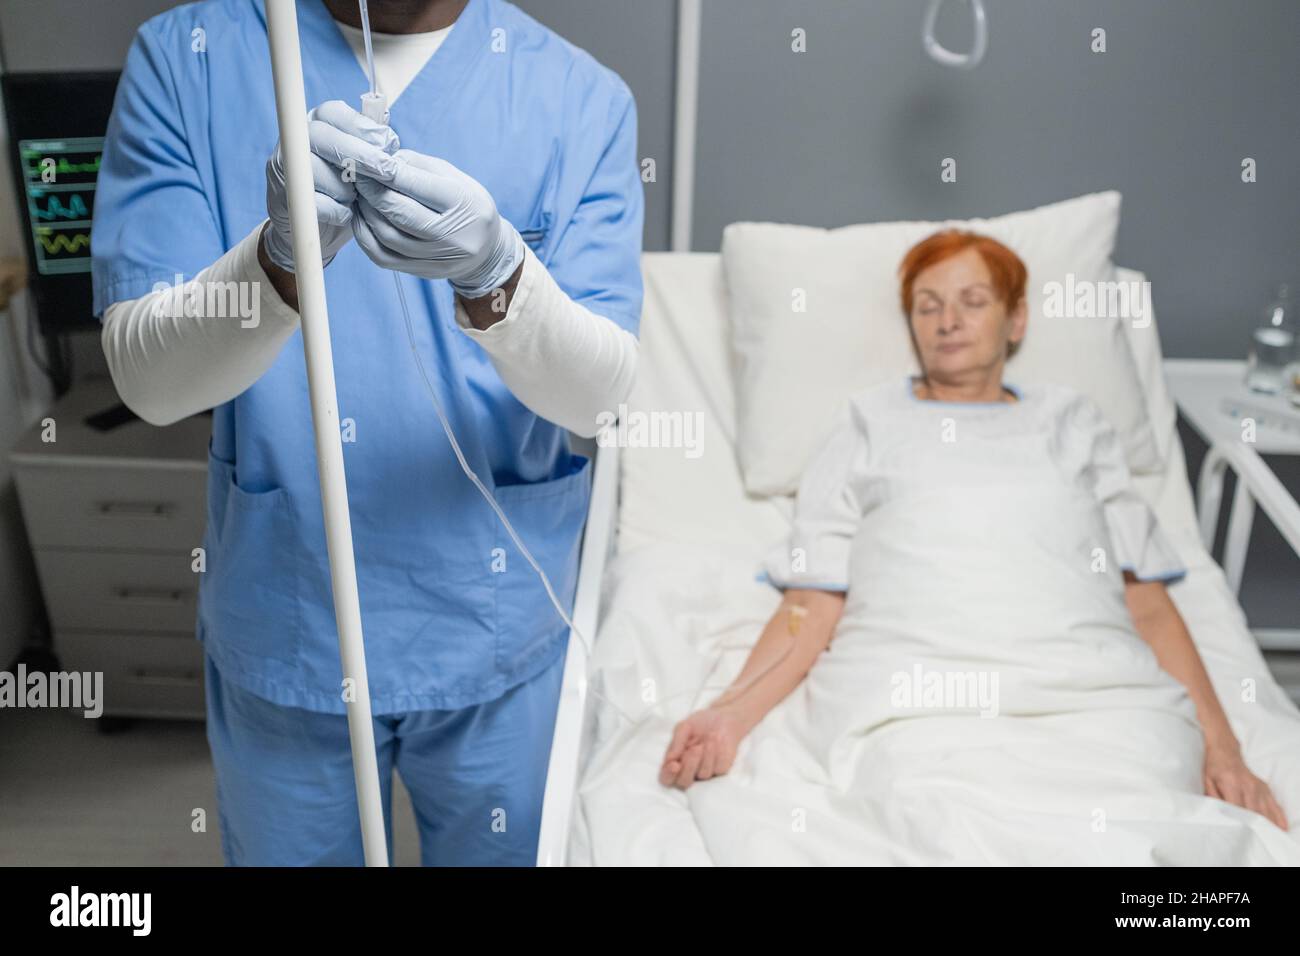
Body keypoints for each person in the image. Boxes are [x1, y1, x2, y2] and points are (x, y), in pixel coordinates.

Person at [92, 0, 644, 865]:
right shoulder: (190, 57)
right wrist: (276, 261)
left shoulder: (579, 96)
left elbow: (603, 402)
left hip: (497, 622)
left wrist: (501, 277)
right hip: (291, 617)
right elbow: (149, 383)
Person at [658, 230, 1290, 861]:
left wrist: (1224, 749)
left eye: (972, 300)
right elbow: (810, 602)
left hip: (1096, 698)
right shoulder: (868, 423)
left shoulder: (1073, 422)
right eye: (927, 306)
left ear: (1016, 319)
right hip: (914, 698)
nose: (948, 321)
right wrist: (730, 713)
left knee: (1139, 828)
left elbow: (1146, 600)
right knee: (930, 815)